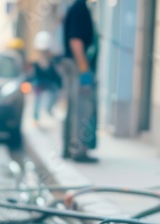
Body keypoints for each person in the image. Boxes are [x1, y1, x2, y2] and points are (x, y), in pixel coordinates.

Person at [61, 0, 98, 162]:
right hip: (78, 66)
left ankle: (69, 149)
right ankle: (79, 152)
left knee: (73, 108)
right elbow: (76, 42)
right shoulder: (80, 8)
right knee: (82, 109)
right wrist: (84, 72)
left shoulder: (74, 8)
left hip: (72, 64)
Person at [29, 31, 62, 124]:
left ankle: (49, 110)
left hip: (50, 83)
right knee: (37, 98)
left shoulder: (52, 60)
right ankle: (36, 118)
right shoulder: (36, 59)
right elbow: (33, 74)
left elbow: (55, 74)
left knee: (54, 94)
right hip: (40, 83)